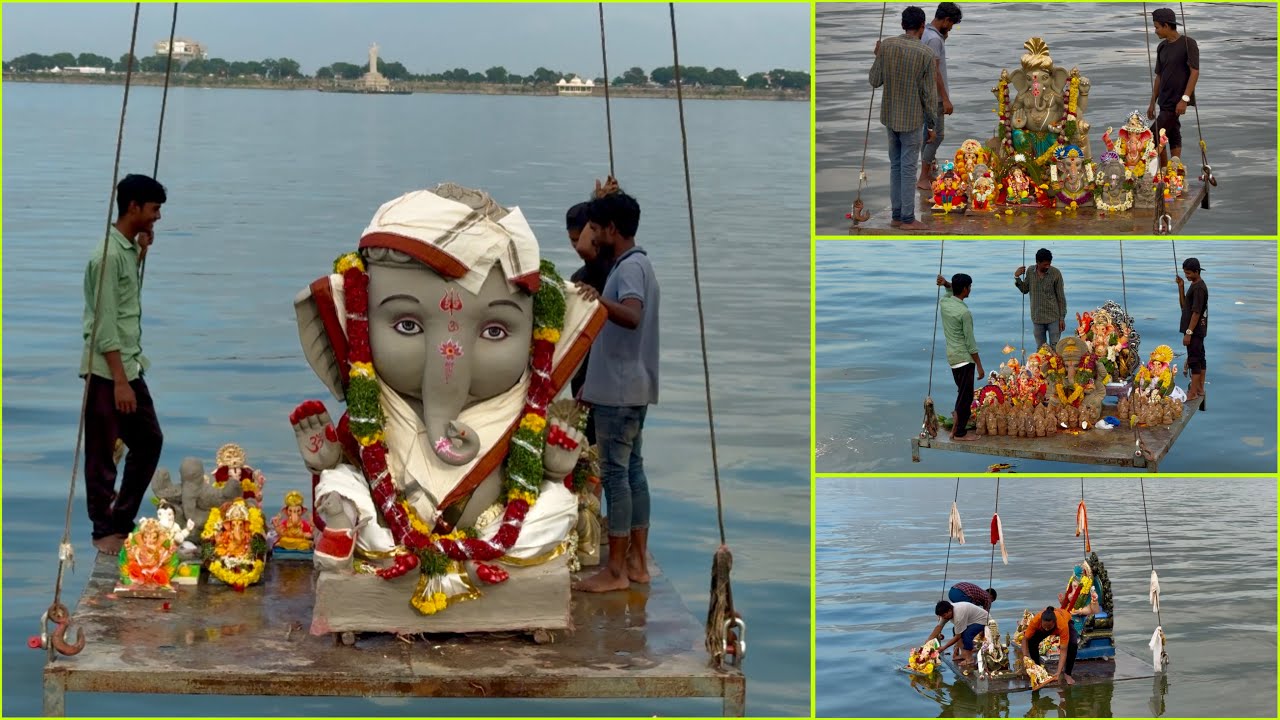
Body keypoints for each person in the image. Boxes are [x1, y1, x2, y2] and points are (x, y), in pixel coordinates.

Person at [573, 184, 660, 593]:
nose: (594, 235)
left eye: (598, 227)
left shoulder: (627, 269)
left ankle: (615, 572)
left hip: (619, 393)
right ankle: (637, 563)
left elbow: (632, 316)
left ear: (612, 228)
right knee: (634, 473)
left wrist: (599, 300)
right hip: (633, 389)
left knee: (615, 476)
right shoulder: (637, 262)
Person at [81, 173, 167, 556]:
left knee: (149, 441)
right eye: (153, 209)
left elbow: (126, 301)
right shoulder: (107, 256)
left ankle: (121, 520)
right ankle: (104, 531)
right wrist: (119, 381)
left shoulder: (127, 250)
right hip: (108, 372)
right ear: (133, 207)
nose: (157, 217)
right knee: (101, 455)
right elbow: (105, 323)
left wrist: (142, 251)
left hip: (130, 366)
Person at [869, 6, 939, 229]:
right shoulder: (926, 54)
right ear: (921, 27)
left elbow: (874, 80)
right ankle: (908, 219)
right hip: (911, 121)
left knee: (896, 166)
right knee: (908, 169)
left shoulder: (887, 46)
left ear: (902, 25)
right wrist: (932, 125)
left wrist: (877, 55)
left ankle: (897, 216)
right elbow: (929, 95)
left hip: (890, 117)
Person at [916, 2, 963, 190]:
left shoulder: (925, 34)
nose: (951, 28)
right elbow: (935, 71)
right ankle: (923, 176)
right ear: (946, 20)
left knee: (927, 135)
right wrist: (945, 98)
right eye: (951, 24)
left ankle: (928, 171)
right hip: (934, 96)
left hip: (924, 94)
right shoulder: (935, 40)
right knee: (938, 135)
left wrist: (945, 36)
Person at [1147, 7, 1200, 168]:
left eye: (1157, 27)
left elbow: (1194, 72)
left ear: (1166, 25)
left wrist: (1184, 99)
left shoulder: (1188, 44)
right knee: (1172, 132)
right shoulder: (1161, 47)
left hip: (1177, 101)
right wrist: (1152, 103)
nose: (1155, 31)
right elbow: (1159, 76)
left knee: (1152, 136)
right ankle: (1175, 170)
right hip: (1164, 100)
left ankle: (1163, 171)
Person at [936, 273, 983, 441]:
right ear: (964, 289)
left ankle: (958, 419)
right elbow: (970, 343)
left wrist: (945, 284)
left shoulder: (944, 303)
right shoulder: (965, 312)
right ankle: (960, 433)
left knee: (963, 392)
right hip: (964, 358)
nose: (970, 289)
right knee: (966, 395)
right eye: (969, 287)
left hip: (952, 358)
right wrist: (979, 364)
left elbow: (949, 292)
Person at [1014, 248, 1068, 350]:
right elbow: (1025, 289)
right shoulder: (1030, 271)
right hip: (1037, 318)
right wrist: (1017, 277)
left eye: (1049, 264)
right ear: (1037, 262)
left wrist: (1062, 318)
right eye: (1045, 264)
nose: (1047, 266)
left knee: (1055, 347)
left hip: (1053, 318)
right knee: (1041, 348)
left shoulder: (1056, 273)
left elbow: (1061, 297)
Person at [1021, 606, 1079, 686]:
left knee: (1073, 644)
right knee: (1032, 641)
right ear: (1041, 621)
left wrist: (1058, 672)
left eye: (1049, 627)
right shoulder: (1036, 621)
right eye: (1045, 626)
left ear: (1054, 622)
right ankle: (1038, 669)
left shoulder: (1062, 625)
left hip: (1067, 621)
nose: (1047, 629)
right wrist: (1025, 657)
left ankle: (1067, 673)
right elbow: (1025, 639)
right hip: (1046, 626)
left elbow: (1063, 650)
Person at [1176, 257, 1208, 403]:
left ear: (1197, 271)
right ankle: (1200, 389)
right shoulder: (1194, 285)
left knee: (1195, 360)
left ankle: (1193, 393)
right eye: (1185, 273)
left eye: (1189, 273)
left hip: (1195, 330)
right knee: (1200, 357)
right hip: (1195, 330)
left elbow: (1196, 312)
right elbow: (1184, 306)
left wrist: (1189, 332)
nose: (1187, 276)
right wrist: (1181, 286)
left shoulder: (1199, 288)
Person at [925, 599, 989, 668]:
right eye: (941, 616)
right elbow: (938, 627)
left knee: (966, 634)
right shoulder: (945, 613)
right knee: (955, 630)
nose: (943, 618)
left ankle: (969, 659)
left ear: (949, 610)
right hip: (971, 621)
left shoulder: (958, 615)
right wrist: (927, 642)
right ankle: (964, 654)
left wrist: (944, 647)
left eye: (944, 615)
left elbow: (957, 637)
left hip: (983, 620)